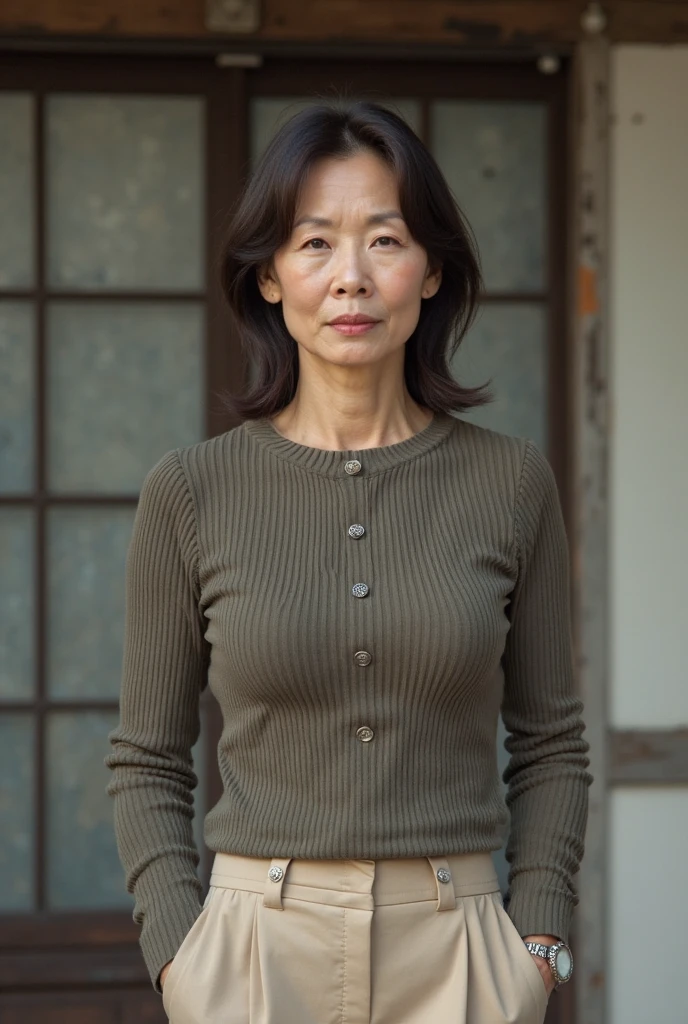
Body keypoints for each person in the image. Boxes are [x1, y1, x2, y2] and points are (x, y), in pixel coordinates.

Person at [105, 100, 592, 1024]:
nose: (351, 279)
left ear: (431, 268)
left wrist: (538, 941)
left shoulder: (513, 481)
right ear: (269, 278)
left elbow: (552, 742)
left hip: (462, 949)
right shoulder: (190, 491)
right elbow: (147, 757)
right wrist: (180, 955)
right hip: (252, 953)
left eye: (385, 239)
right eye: (315, 243)